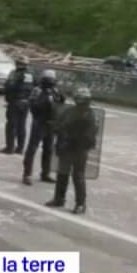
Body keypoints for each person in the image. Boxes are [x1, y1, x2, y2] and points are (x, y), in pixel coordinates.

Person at [45, 85, 98, 214]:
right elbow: (59, 124)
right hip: (66, 146)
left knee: (78, 176)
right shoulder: (69, 111)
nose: (79, 100)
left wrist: (73, 138)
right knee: (62, 173)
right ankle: (59, 199)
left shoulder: (90, 114)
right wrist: (56, 129)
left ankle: (80, 204)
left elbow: (90, 136)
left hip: (79, 149)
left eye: (82, 98)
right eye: (78, 98)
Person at [22, 69, 65, 185]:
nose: (51, 82)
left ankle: (45, 173)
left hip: (51, 124)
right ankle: (27, 174)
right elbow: (33, 105)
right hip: (40, 123)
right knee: (32, 148)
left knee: (49, 149)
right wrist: (44, 104)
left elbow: (61, 103)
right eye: (49, 79)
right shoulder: (38, 90)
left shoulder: (55, 91)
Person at [0, 57, 33, 154]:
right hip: (26, 103)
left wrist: (8, 97)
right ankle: (20, 148)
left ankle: (9, 148)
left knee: (11, 125)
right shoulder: (31, 75)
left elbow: (9, 86)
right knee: (21, 126)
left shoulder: (15, 74)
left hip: (15, 102)